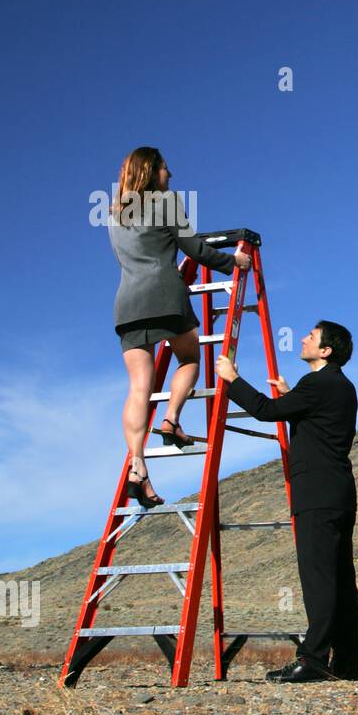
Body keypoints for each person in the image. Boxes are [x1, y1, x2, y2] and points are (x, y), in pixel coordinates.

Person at [215, 321, 358, 683]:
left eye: (312, 337)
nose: (304, 339)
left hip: (316, 494)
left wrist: (232, 379)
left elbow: (265, 411)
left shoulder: (317, 384)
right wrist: (291, 395)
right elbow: (313, 419)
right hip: (339, 492)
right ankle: (346, 662)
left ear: (325, 350)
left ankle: (312, 659)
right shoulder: (341, 386)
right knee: (341, 578)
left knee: (319, 579)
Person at [108, 146, 251, 507]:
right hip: (164, 298)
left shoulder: (115, 214)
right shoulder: (166, 202)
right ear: (152, 172)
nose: (170, 174)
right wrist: (233, 261)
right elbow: (195, 249)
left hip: (127, 304)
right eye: (166, 168)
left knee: (138, 387)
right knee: (189, 359)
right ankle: (171, 418)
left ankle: (137, 467)